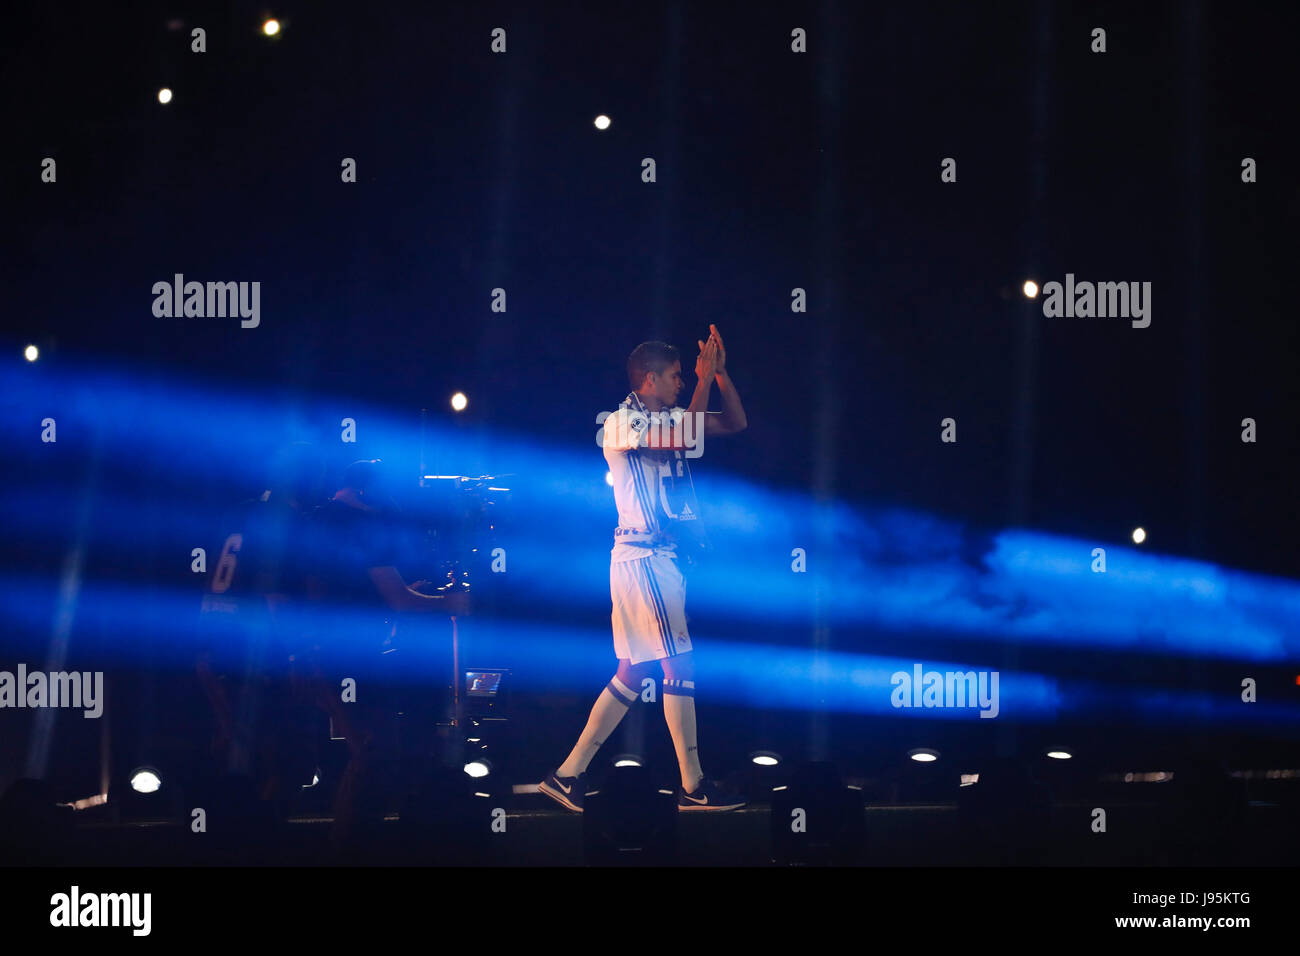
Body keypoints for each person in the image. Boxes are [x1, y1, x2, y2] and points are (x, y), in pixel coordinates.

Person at [540, 325, 748, 812]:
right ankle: (693, 786)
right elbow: (680, 441)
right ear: (649, 379)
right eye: (676, 376)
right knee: (680, 662)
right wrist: (703, 380)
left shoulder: (675, 413)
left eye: (684, 376)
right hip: (644, 557)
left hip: (659, 558)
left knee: (632, 672)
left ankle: (567, 774)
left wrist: (718, 375)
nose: (682, 382)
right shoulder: (619, 422)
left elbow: (735, 422)